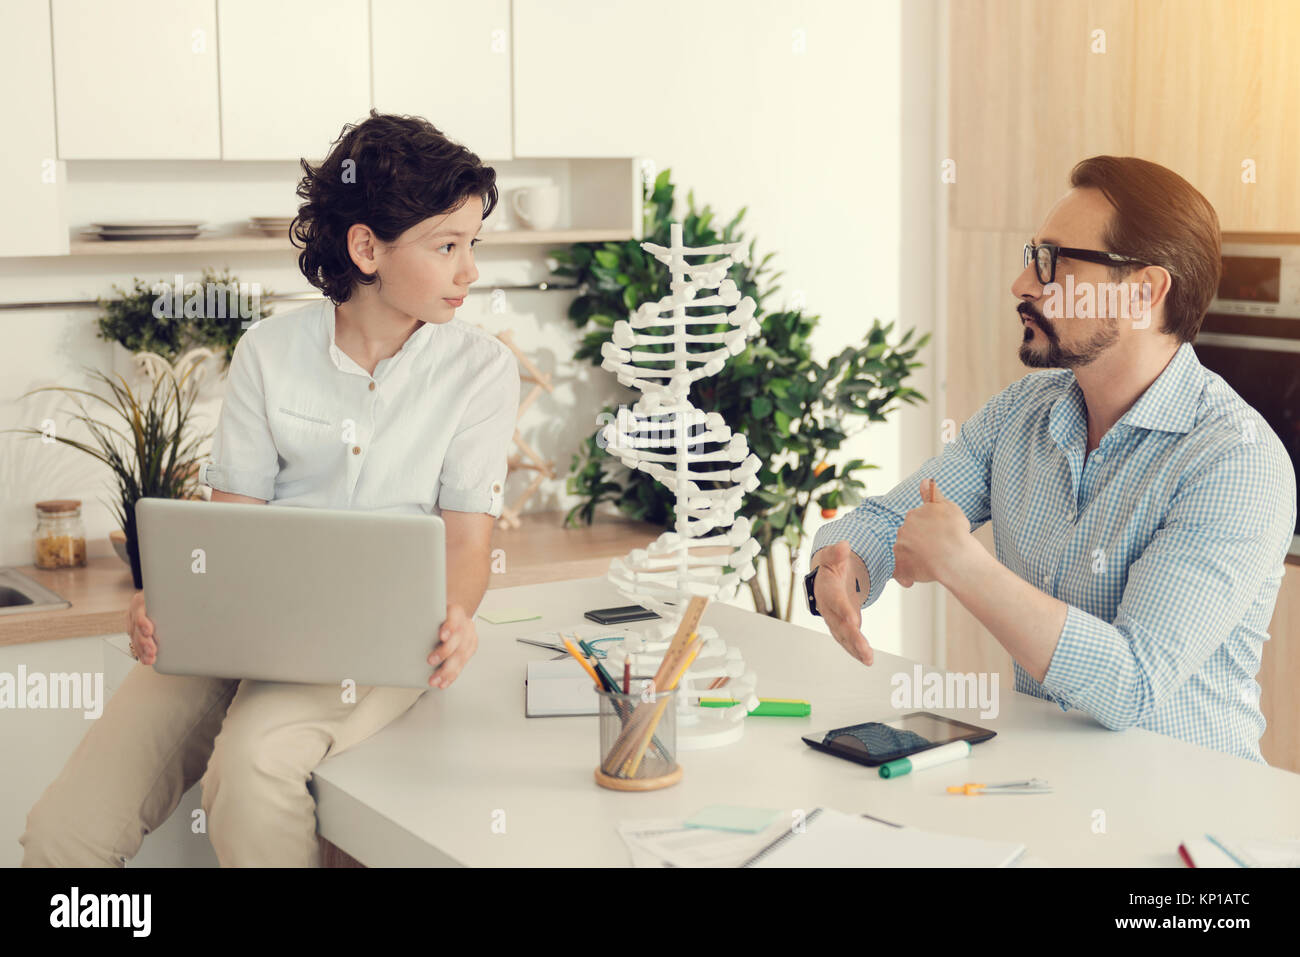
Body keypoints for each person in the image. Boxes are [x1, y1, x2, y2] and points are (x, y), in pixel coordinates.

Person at [20, 110, 520, 866]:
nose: (470, 270)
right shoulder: (268, 351)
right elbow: (232, 532)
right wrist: (172, 603)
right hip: (244, 626)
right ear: (366, 248)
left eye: (472, 244)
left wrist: (455, 615)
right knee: (65, 830)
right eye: (447, 246)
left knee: (250, 769)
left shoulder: (481, 370)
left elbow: (466, 543)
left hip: (376, 640)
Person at [807, 156, 1296, 764]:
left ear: (1144, 292)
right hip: (1048, 781)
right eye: (1030, 257)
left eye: (1053, 263)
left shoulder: (1236, 463)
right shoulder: (1024, 412)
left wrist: (965, 566)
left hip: (1185, 817)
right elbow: (888, 522)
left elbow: (1132, 685)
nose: (1022, 285)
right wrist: (845, 570)